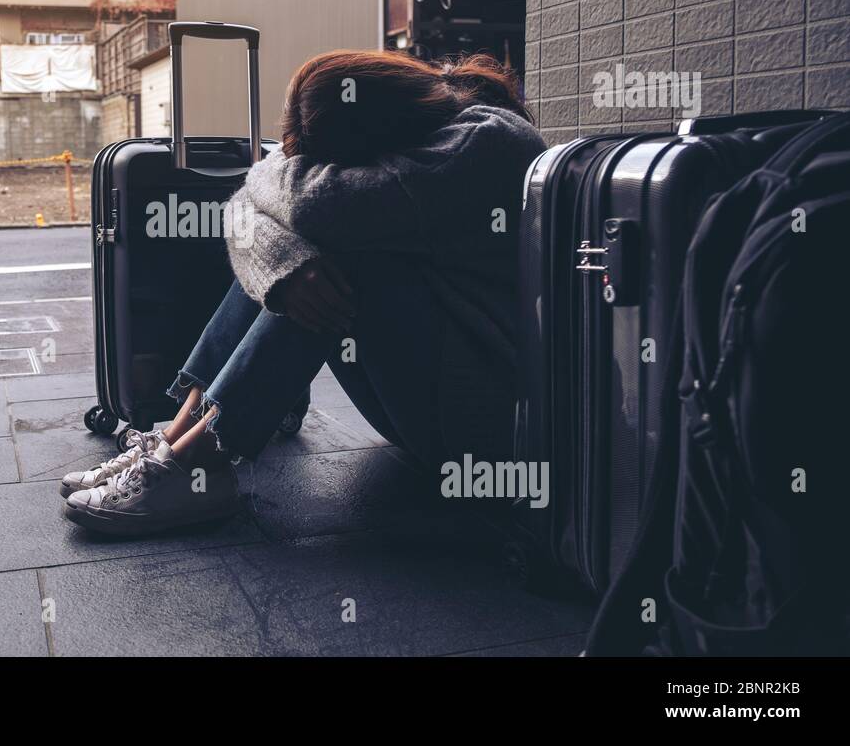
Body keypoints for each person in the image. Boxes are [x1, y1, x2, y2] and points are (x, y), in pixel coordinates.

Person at [60, 50, 546, 536]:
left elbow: (318, 205)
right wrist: (283, 262)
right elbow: (246, 213)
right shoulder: (420, 119)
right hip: (431, 403)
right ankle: (178, 436)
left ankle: (203, 460)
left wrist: (266, 177)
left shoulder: (485, 143)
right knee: (288, 261)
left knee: (337, 255)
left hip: (485, 427)